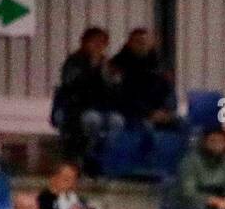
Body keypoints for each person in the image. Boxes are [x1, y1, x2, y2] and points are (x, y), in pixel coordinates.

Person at [52, 28, 124, 164]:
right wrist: (92, 68)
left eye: (102, 43)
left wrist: (111, 77)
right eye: (94, 42)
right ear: (84, 43)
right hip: (78, 108)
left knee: (117, 121)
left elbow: (113, 90)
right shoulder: (74, 62)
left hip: (102, 108)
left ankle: (102, 156)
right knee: (92, 120)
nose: (98, 46)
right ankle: (86, 156)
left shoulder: (107, 64)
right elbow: (71, 85)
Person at [110, 28, 176, 128]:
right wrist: (149, 113)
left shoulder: (160, 64)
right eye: (138, 42)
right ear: (129, 43)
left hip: (160, 111)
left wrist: (167, 110)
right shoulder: (119, 65)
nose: (142, 45)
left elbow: (169, 90)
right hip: (133, 112)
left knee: (183, 123)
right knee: (146, 127)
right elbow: (124, 95)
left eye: (145, 42)